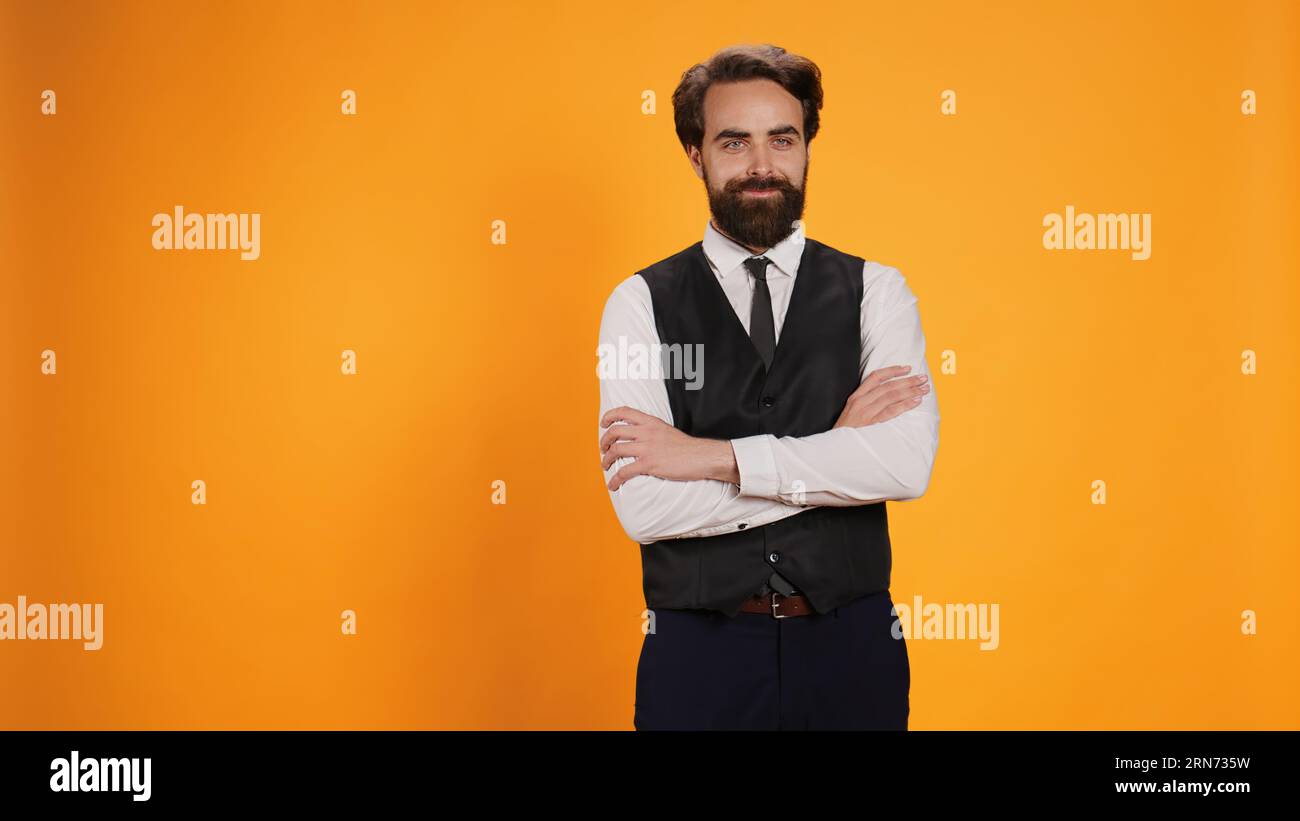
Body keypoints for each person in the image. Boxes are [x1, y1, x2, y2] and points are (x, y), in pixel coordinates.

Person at [596, 43, 939, 730]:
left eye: (782, 139)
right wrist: (835, 453)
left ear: (807, 144)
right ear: (695, 153)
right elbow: (646, 507)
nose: (761, 166)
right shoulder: (638, 302)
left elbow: (905, 465)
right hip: (697, 654)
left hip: (852, 648)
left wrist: (712, 457)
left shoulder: (879, 291)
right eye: (734, 142)